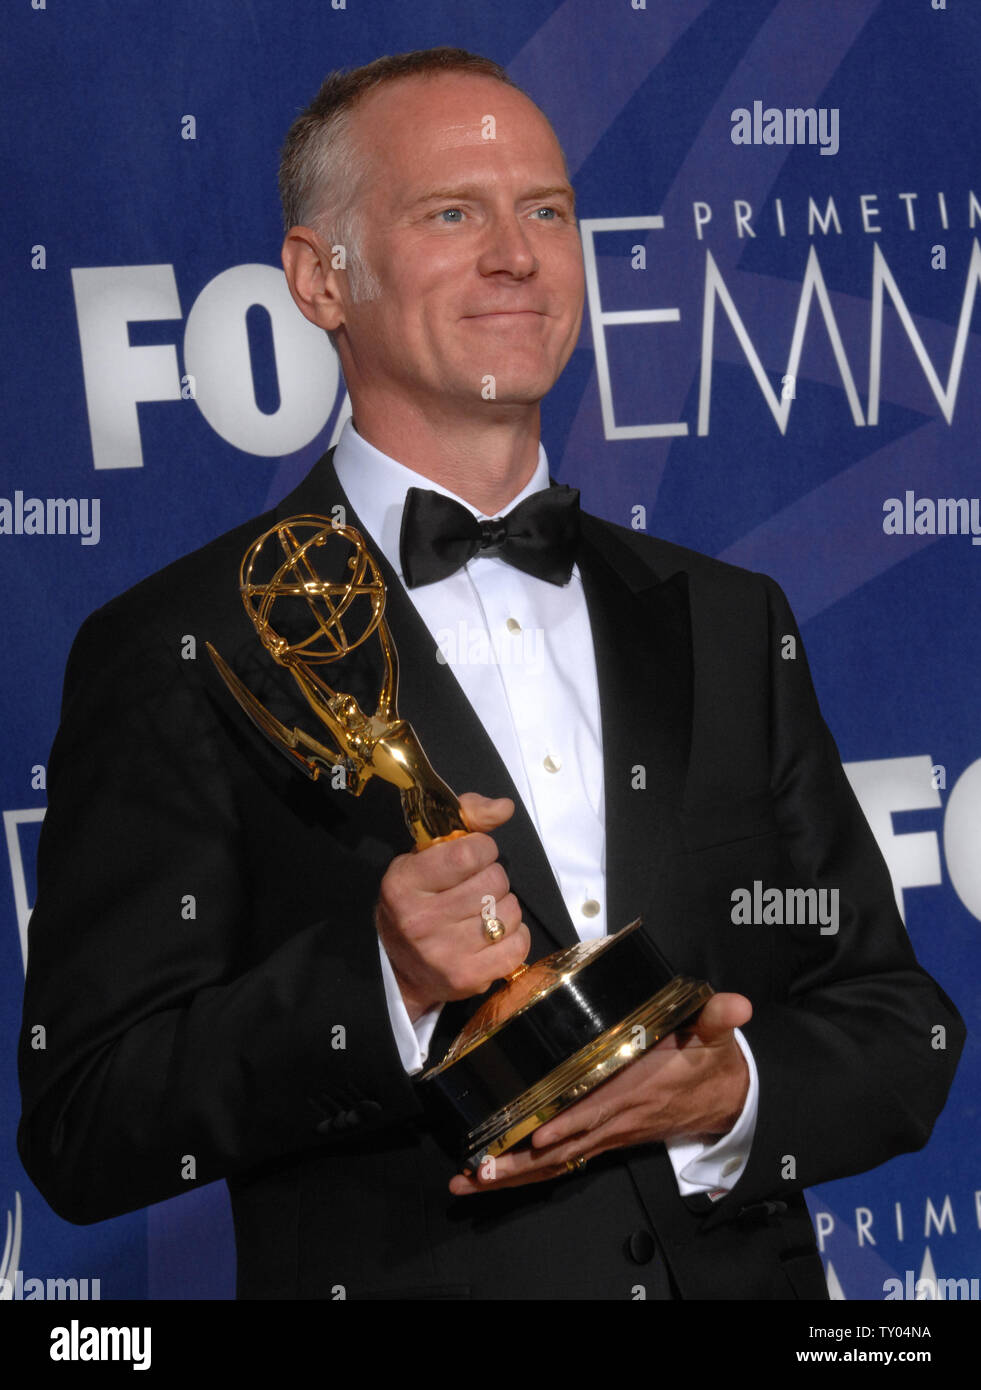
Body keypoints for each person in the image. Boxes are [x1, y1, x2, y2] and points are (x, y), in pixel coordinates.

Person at [18, 47, 963, 1300]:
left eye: (548, 211)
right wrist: (383, 986)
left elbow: (898, 1024)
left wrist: (731, 1093)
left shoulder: (730, 618)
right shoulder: (183, 647)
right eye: (452, 212)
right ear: (318, 278)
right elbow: (87, 1126)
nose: (516, 254)